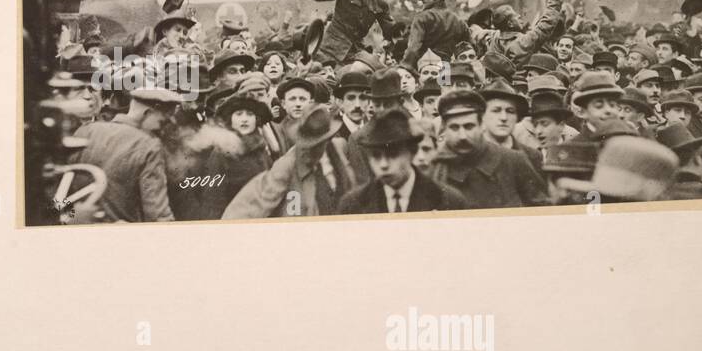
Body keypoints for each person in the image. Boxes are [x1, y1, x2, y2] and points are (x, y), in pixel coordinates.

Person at [223, 104, 356, 219]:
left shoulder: (337, 152)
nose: (314, 148)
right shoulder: (287, 165)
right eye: (310, 143)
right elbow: (253, 203)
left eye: (320, 142)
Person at [427, 90, 548, 209]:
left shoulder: (513, 161)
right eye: (454, 127)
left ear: (481, 125)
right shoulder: (433, 169)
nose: (462, 136)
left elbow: (543, 211)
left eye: (469, 126)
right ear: (444, 129)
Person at [74, 87, 179, 222]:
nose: (162, 130)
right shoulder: (149, 145)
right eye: (162, 122)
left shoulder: (85, 131)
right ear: (146, 113)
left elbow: (59, 196)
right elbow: (157, 215)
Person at [337, 110, 467, 213]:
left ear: (412, 152)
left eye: (393, 154)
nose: (384, 165)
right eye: (376, 156)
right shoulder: (353, 205)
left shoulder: (448, 201)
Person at [402, 0, 469, 71]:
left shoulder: (422, 18)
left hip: (428, 69)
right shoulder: (458, 20)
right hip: (449, 70)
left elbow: (413, 48)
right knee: (444, 85)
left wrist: (405, 67)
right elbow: (470, 45)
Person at [479, 79, 544, 175]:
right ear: (482, 115)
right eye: (496, 110)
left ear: (517, 117)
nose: (504, 118)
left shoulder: (532, 157)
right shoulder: (470, 154)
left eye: (510, 111)